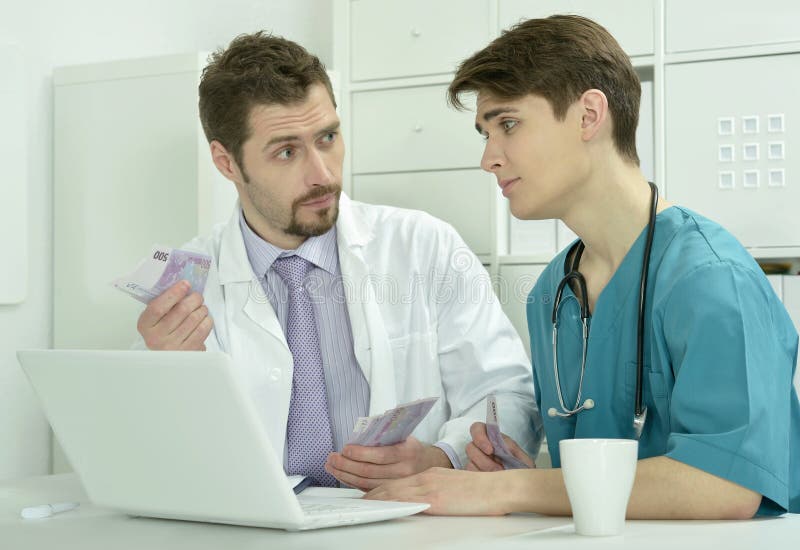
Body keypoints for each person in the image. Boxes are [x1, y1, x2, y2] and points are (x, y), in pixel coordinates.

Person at [365, 15, 799, 518]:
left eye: (508, 124)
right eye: (485, 132)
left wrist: (513, 491)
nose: (488, 158)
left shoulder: (711, 277)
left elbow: (725, 486)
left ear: (589, 115)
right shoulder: (552, 293)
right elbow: (591, 472)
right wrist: (513, 471)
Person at [133, 31, 543, 489]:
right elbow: (144, 451)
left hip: (405, 524)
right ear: (227, 163)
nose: (322, 174)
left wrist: (442, 458)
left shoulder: (424, 245)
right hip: (257, 529)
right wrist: (161, 375)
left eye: (327, 137)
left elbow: (507, 392)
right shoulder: (184, 291)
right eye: (287, 151)